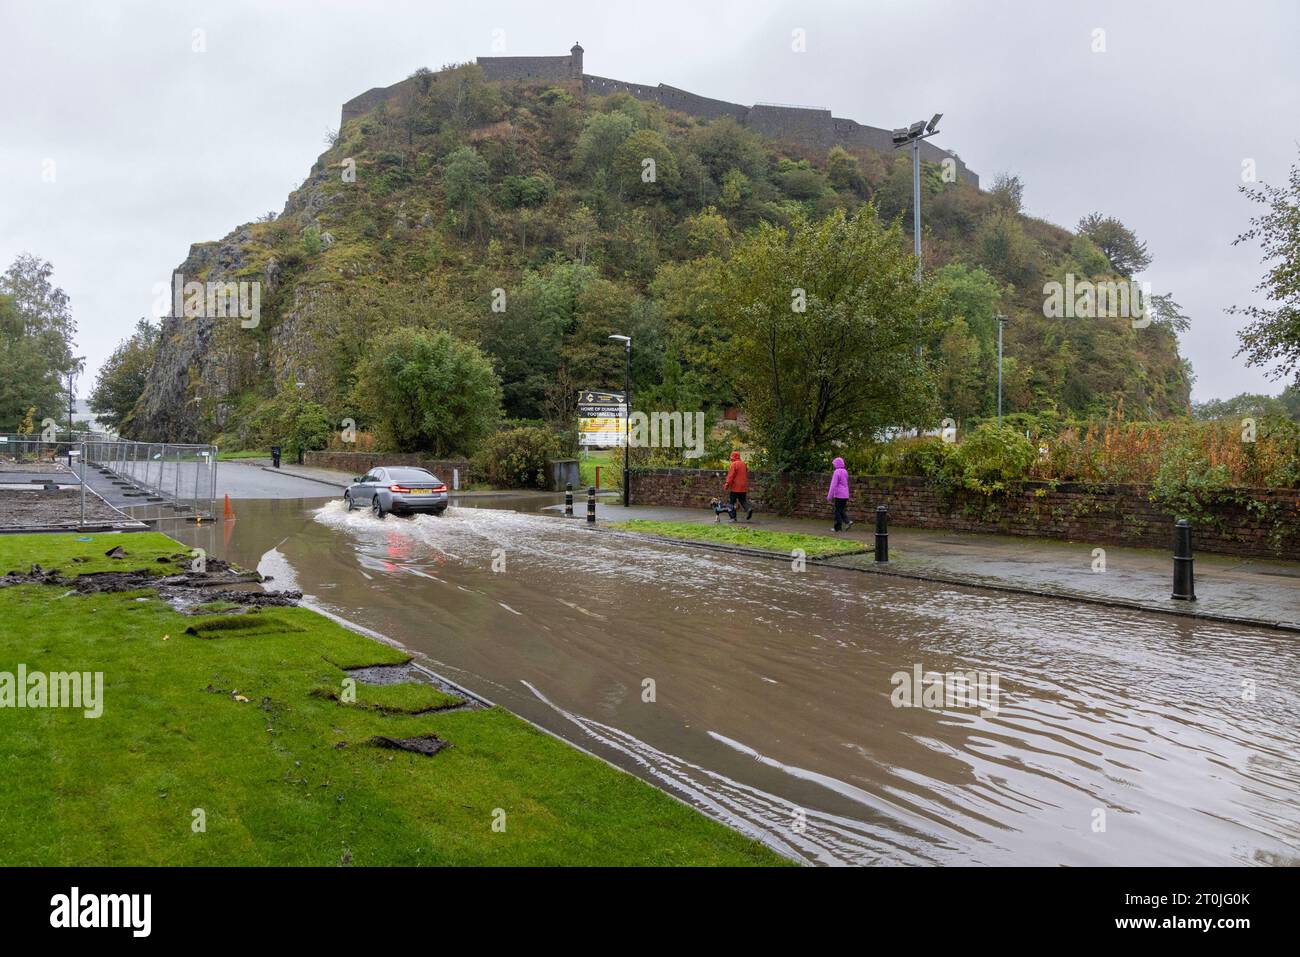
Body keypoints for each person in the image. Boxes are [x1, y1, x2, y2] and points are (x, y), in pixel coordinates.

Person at [723, 451, 752, 521]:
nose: (731, 459)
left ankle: (733, 517)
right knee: (743, 500)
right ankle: (748, 509)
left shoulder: (734, 464)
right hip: (743, 487)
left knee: (731, 502)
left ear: (733, 457)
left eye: (731, 457)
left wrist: (727, 484)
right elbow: (746, 472)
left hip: (735, 487)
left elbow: (731, 476)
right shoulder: (743, 464)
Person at [827, 457, 853, 532]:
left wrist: (829, 496)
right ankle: (848, 522)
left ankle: (837, 528)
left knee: (837, 511)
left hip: (839, 494)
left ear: (837, 464)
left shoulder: (836, 472)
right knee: (841, 509)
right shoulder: (845, 471)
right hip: (845, 494)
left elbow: (833, 485)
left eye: (834, 464)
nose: (834, 465)